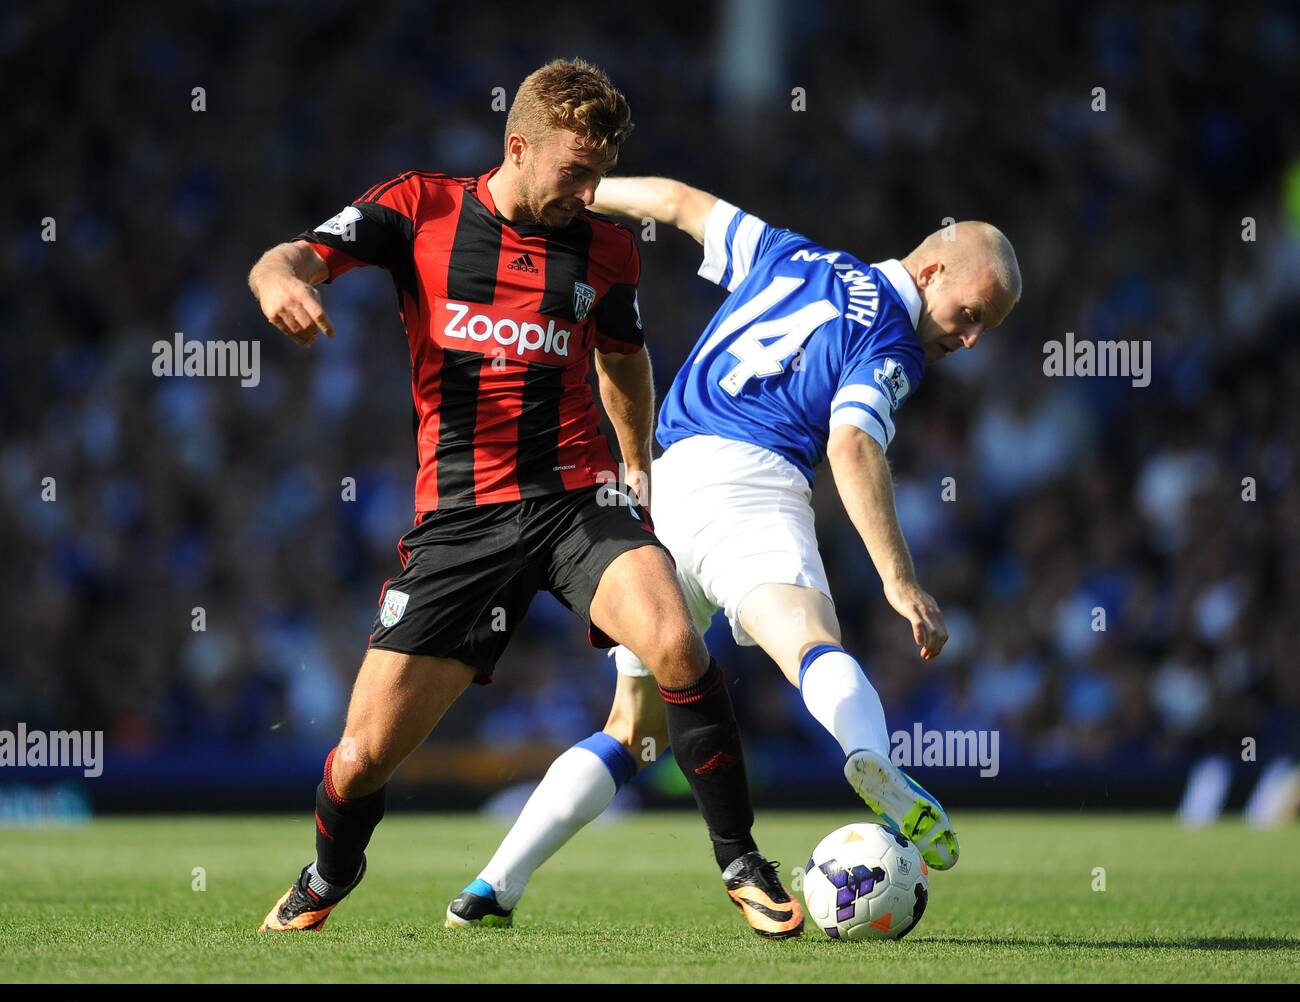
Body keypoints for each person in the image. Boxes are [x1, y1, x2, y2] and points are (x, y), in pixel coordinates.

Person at [250, 61, 801, 939]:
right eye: (575, 172)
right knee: (358, 761)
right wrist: (278, 281)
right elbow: (293, 255)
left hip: (576, 497)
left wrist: (636, 465)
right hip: (461, 521)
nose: (588, 192)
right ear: (518, 147)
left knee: (675, 641)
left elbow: (621, 356)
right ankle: (327, 871)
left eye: (600, 173)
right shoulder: (419, 207)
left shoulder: (605, 246)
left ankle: (740, 858)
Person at [449, 175, 1021, 931]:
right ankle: (873, 757)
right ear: (931, 272)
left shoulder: (788, 253)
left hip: (661, 487)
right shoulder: (891, 334)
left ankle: (493, 884)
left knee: (634, 727)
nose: (970, 337)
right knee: (811, 640)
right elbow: (851, 444)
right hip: (752, 487)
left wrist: (582, 188)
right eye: (972, 315)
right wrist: (899, 578)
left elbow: (678, 204)